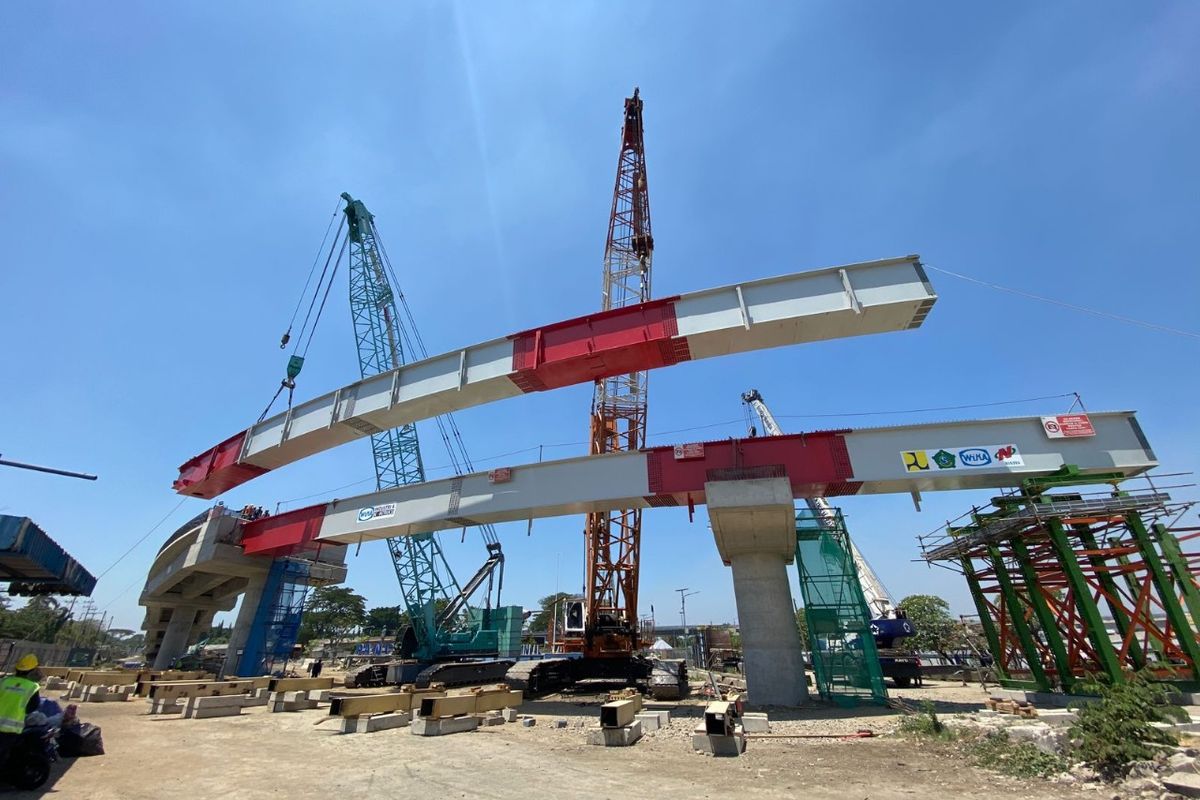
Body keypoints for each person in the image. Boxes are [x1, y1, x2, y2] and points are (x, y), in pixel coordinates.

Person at [0, 654, 42, 762]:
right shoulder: (32, 687)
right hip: (10, 730)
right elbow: (32, 707)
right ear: (32, 671)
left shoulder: (4, 681)